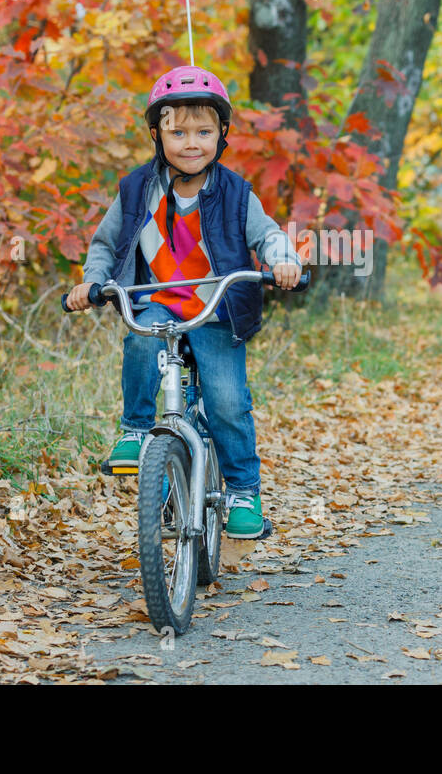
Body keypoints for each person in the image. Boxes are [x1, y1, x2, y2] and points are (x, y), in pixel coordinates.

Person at [65, 65, 302, 538]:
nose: (191, 142)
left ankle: (241, 492)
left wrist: (283, 261)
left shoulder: (235, 193)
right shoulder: (136, 189)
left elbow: (269, 236)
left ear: (221, 134)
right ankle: (135, 430)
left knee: (228, 402)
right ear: (157, 134)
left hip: (217, 309)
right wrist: (90, 283)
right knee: (139, 340)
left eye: (204, 131)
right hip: (156, 301)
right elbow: (105, 245)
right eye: (177, 132)